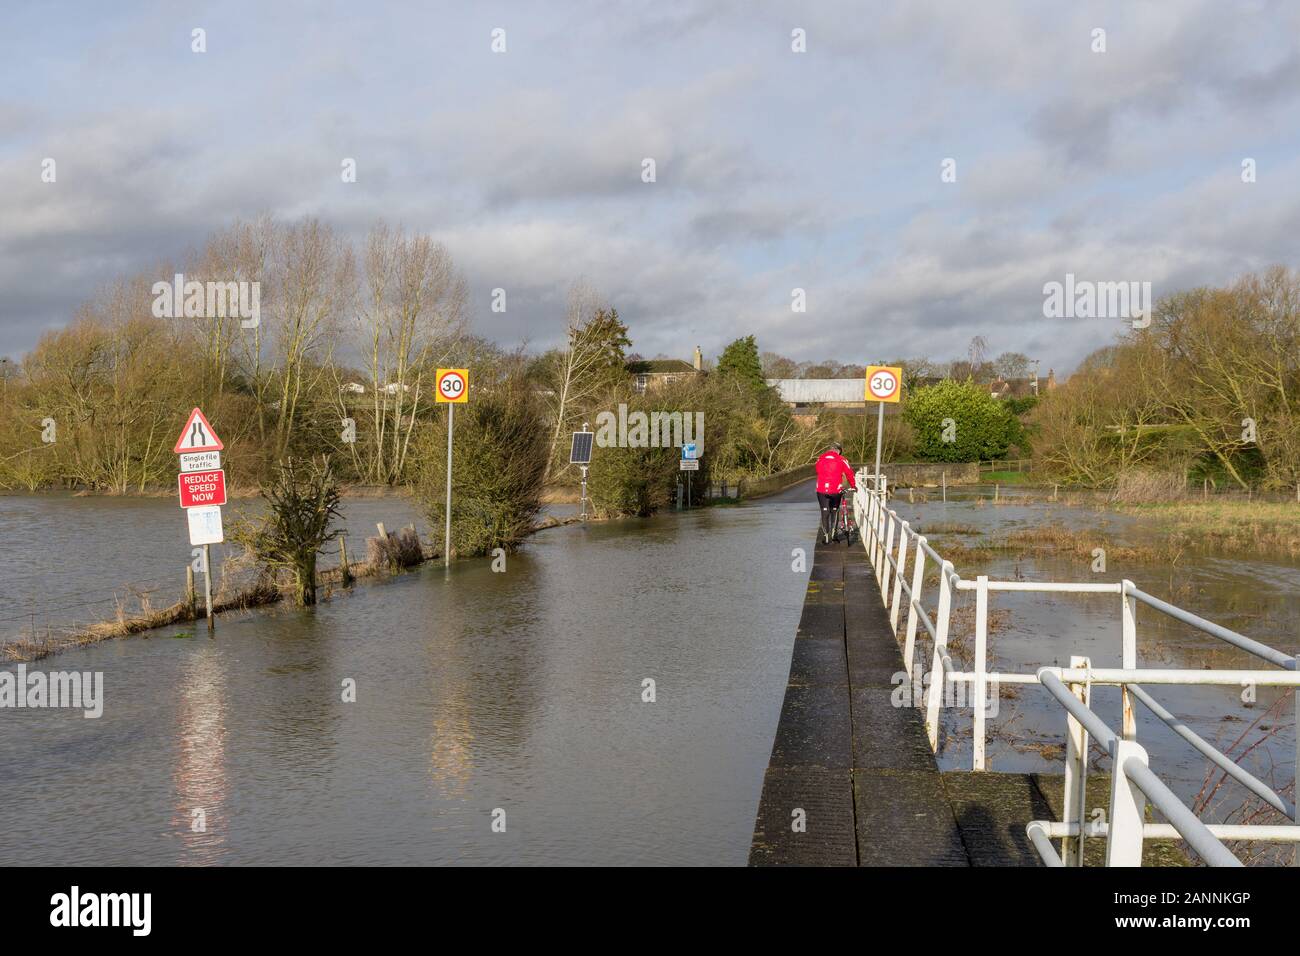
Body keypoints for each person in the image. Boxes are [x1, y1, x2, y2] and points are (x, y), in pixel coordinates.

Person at [815, 442, 856, 543]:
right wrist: (853, 485)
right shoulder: (842, 459)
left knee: (824, 511)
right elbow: (849, 472)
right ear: (839, 451)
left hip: (821, 489)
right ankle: (833, 534)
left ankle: (825, 536)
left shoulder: (820, 458)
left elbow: (817, 469)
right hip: (835, 490)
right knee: (834, 510)